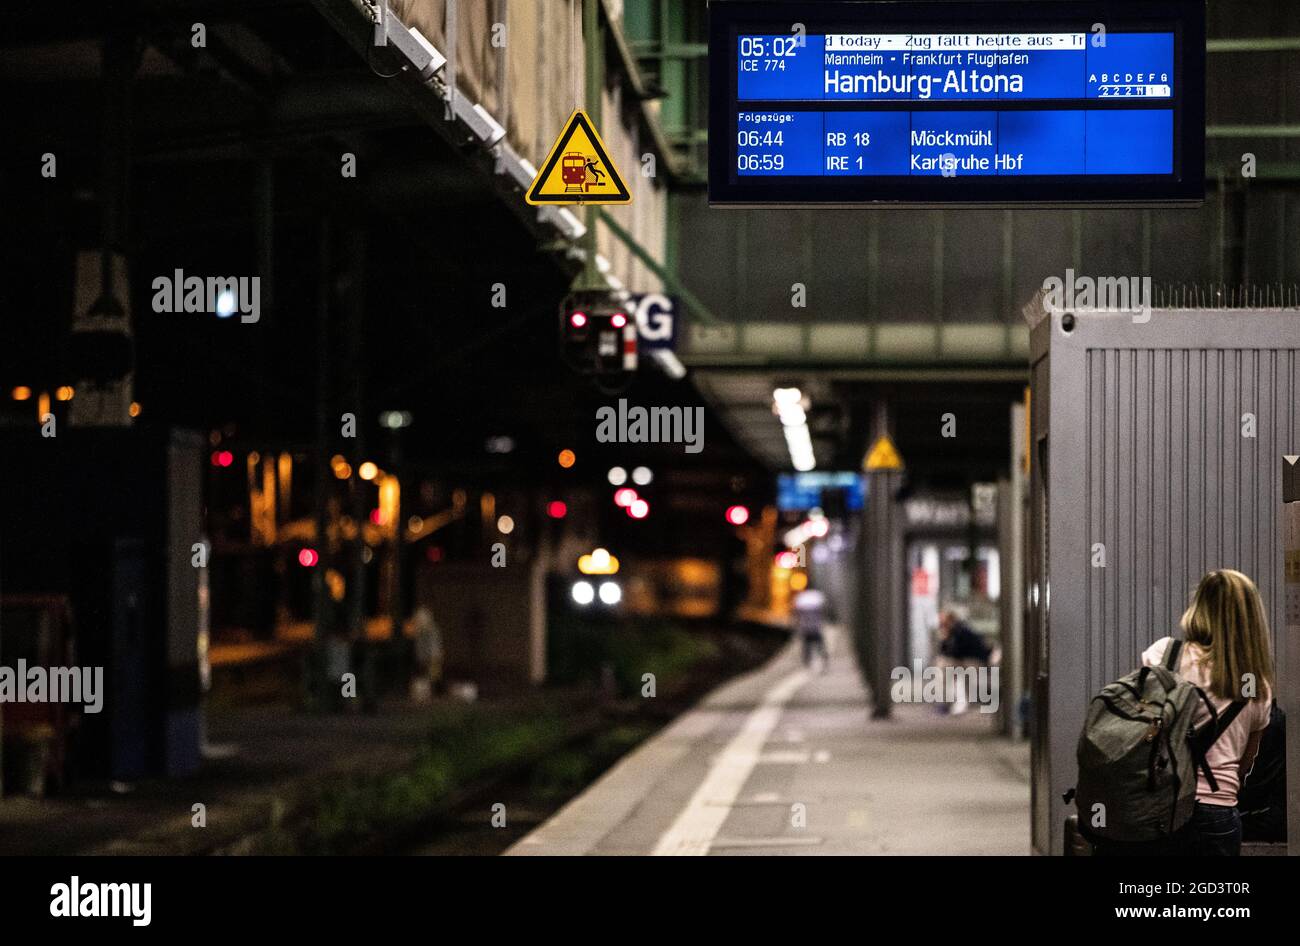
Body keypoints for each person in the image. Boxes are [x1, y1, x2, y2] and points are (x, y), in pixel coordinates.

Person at [1138, 569, 1276, 856]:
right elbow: (1244, 763)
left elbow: (1140, 727)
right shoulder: (1257, 686)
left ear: (1199, 607)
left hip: (1161, 807)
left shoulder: (1164, 655)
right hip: (1218, 814)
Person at [937, 610, 991, 715]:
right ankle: (950, 701)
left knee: (948, 669)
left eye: (943, 622)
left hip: (975, 662)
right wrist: (944, 638)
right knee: (944, 667)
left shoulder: (960, 631)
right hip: (965, 661)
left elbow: (956, 653)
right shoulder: (953, 632)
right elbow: (944, 652)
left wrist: (946, 639)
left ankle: (955, 702)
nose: (942, 625)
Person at [792, 586, 830, 672]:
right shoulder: (817, 599)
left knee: (807, 646)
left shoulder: (800, 600)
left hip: (805, 628)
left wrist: (797, 625)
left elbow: (796, 614)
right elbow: (823, 612)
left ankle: (807, 662)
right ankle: (824, 661)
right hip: (816, 627)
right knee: (820, 645)